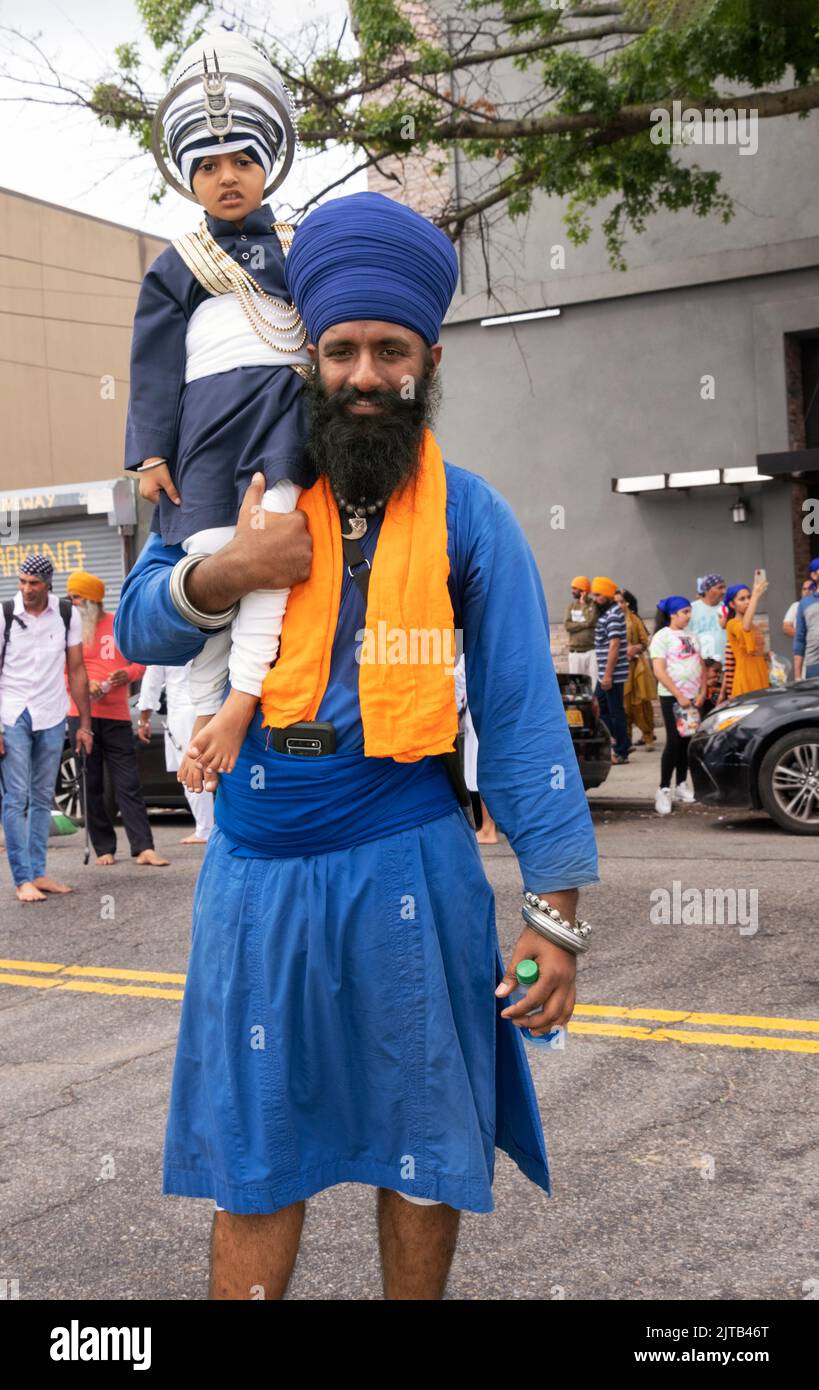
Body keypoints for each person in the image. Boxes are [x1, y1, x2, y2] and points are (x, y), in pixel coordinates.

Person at [114, 190, 599, 1301]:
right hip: (260, 863)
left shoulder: (470, 514)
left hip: (410, 853)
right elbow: (141, 617)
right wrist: (231, 565)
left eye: (391, 351)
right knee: (255, 1162)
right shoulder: (240, 483)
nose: (366, 376)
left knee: (427, 1152)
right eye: (341, 351)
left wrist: (556, 914)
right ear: (310, 361)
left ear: (428, 359)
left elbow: (523, 721)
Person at [125, 28, 315, 790]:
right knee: (212, 555)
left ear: (265, 165)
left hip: (286, 417)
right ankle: (202, 715)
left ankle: (239, 697)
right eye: (207, 165)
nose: (226, 177)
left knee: (277, 544)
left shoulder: (305, 248)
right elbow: (153, 364)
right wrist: (149, 452)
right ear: (188, 177)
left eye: (241, 160)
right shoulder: (176, 265)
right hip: (207, 430)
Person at [0, 555, 92, 902]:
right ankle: (21, 879)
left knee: (42, 798)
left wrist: (85, 725)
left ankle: (38, 873)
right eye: (22, 582)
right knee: (15, 798)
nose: (26, 589)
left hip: (52, 713)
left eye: (33, 583)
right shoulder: (5, 613)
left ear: (48, 583)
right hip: (12, 714)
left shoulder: (67, 614)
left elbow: (78, 669)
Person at [65, 570, 168, 868]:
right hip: (80, 716)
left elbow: (141, 662)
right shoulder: (67, 631)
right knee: (91, 782)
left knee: (128, 782)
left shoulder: (118, 625)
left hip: (117, 715)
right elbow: (60, 674)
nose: (71, 602)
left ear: (93, 601)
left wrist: (129, 674)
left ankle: (144, 847)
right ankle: (103, 848)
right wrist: (85, 685)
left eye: (76, 597)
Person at [136, 664, 214, 844]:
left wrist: (144, 719)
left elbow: (152, 683)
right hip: (211, 708)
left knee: (192, 772)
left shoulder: (164, 640)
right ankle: (213, 826)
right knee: (214, 768)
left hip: (183, 713)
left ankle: (204, 829)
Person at [649, 596, 707, 816]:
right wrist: (678, 695)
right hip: (672, 697)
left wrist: (702, 691)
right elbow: (659, 670)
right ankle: (664, 788)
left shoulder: (693, 636)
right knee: (673, 741)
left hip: (693, 698)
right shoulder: (662, 637)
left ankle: (682, 783)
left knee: (687, 742)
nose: (688, 616)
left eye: (689, 611)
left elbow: (700, 664)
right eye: (684, 612)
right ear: (672, 614)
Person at [453, 653, 496, 844]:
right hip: (501, 711)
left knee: (480, 770)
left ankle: (488, 828)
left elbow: (458, 679)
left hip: (480, 712)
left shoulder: (472, 651)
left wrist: (455, 710)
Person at [590, 576, 630, 764]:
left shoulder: (613, 614)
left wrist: (607, 675)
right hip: (604, 673)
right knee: (600, 708)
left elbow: (614, 645)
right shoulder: (606, 613)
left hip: (611, 674)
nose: (595, 598)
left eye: (598, 595)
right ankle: (614, 742)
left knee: (616, 712)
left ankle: (622, 750)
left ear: (606, 595)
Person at [614, 589, 656, 749]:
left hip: (636, 668)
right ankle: (626, 739)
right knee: (623, 704)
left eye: (620, 602)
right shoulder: (610, 620)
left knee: (639, 704)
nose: (618, 605)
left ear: (627, 603)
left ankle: (647, 736)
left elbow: (645, 641)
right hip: (618, 668)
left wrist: (635, 648)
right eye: (615, 602)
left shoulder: (634, 619)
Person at [720, 579, 771, 701]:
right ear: (732, 604)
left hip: (761, 675)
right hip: (746, 679)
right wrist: (755, 596)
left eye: (749, 597)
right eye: (742, 599)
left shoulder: (755, 626)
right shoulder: (732, 624)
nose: (747, 601)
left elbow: (760, 652)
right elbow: (745, 627)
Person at [564, 576, 598, 680]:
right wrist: (584, 624)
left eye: (575, 588)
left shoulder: (594, 605)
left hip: (592, 651)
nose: (572, 591)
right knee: (577, 684)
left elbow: (591, 620)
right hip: (575, 652)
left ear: (583, 590)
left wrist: (583, 604)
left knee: (594, 683)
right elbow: (567, 625)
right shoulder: (571, 606)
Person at [688, 574, 727, 663]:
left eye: (724, 587)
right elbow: (685, 636)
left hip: (725, 664)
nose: (724, 591)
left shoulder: (726, 608)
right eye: (720, 588)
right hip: (700, 665)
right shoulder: (691, 609)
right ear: (707, 590)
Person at [793, 558, 819, 680]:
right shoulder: (804, 604)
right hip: (814, 667)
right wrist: (798, 677)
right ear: (814, 575)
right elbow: (799, 640)